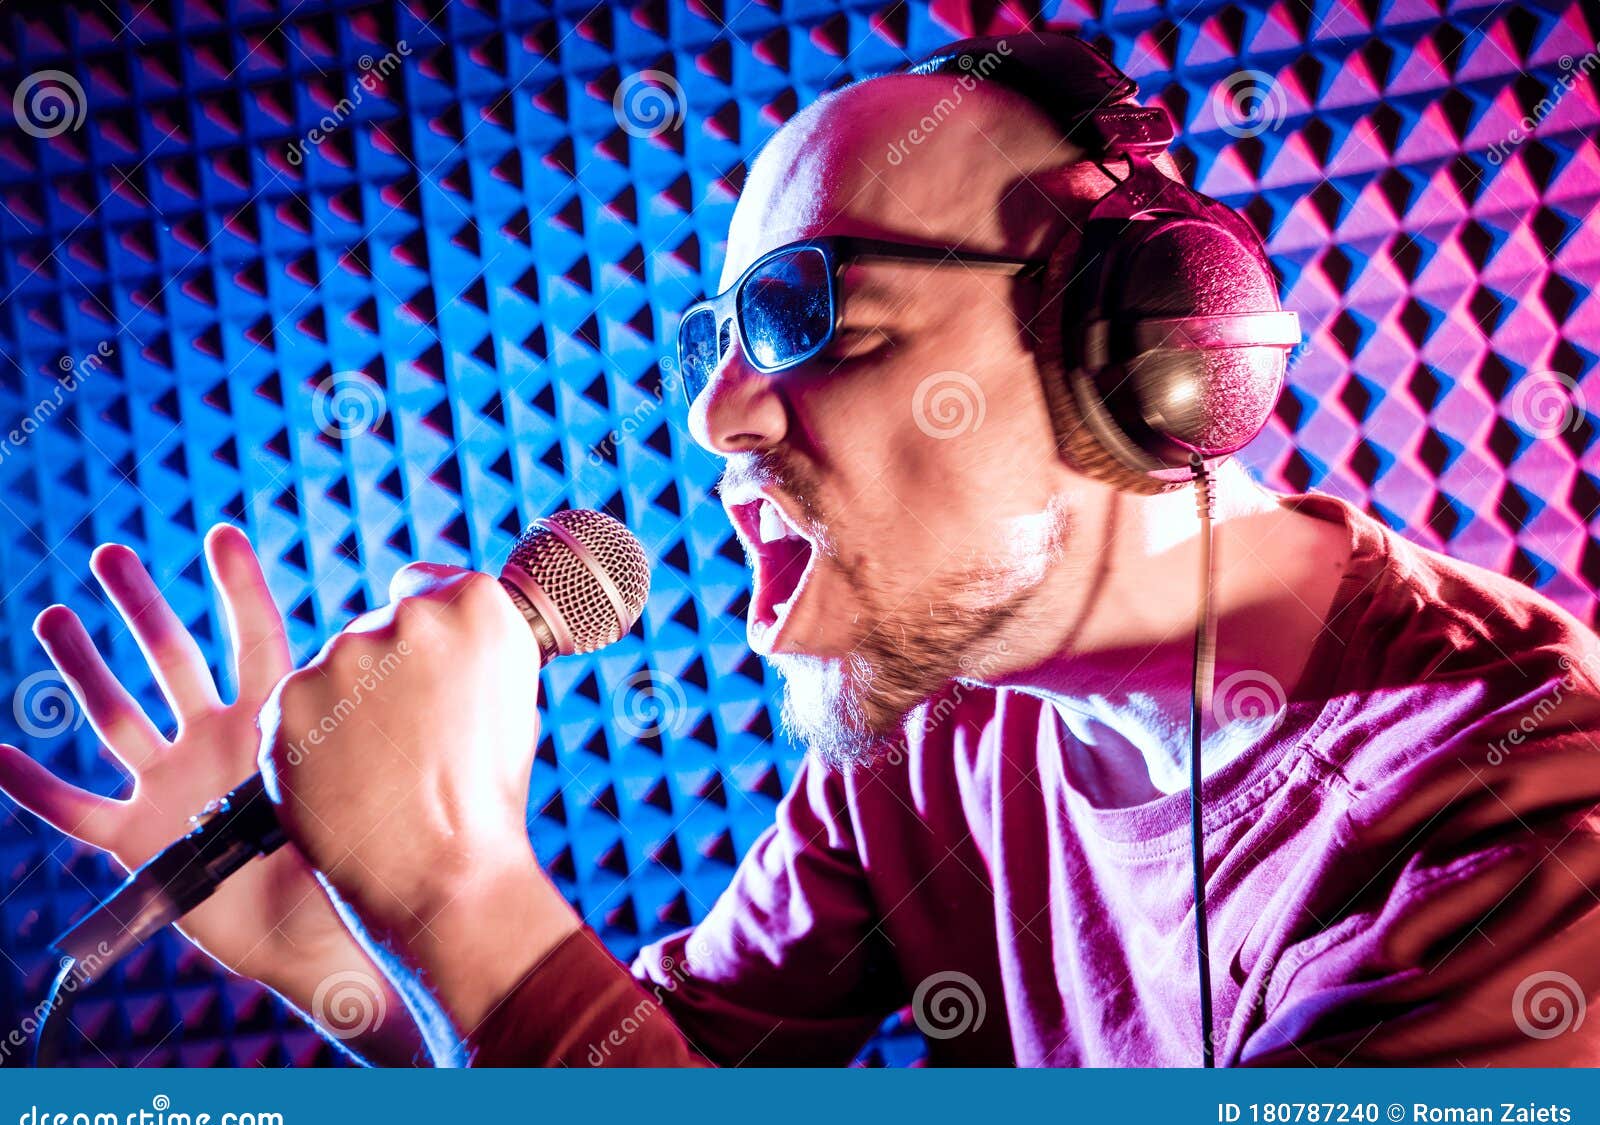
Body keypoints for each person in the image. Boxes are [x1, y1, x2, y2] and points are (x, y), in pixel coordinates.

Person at [5, 32, 1600, 1068]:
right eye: (720, 333)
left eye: (809, 316)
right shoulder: (928, 721)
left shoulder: (1522, 817)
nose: (717, 415)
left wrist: (456, 882)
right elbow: (638, 1070)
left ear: (1153, 347)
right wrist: (340, 951)